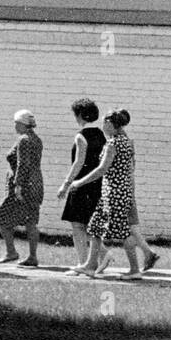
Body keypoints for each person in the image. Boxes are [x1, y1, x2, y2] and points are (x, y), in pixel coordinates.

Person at [65, 108, 142, 280]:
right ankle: (90, 266)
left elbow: (102, 169)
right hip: (118, 191)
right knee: (95, 227)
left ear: (109, 123)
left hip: (114, 193)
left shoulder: (113, 143)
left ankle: (135, 269)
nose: (103, 128)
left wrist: (79, 181)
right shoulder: (126, 141)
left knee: (123, 232)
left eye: (104, 124)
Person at [58, 97, 106, 267]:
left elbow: (78, 162)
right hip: (97, 185)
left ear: (80, 115)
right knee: (90, 226)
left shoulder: (81, 136)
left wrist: (65, 184)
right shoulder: (102, 135)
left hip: (81, 185)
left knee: (78, 226)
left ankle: (83, 263)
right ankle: (103, 256)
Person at [0, 110, 44, 266]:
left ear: (22, 123)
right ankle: (32, 256)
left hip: (23, 184)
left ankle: (11, 251)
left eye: (16, 122)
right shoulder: (37, 139)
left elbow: (23, 164)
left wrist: (18, 186)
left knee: (0, 214)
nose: (14, 125)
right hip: (36, 183)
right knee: (31, 220)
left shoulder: (23, 140)